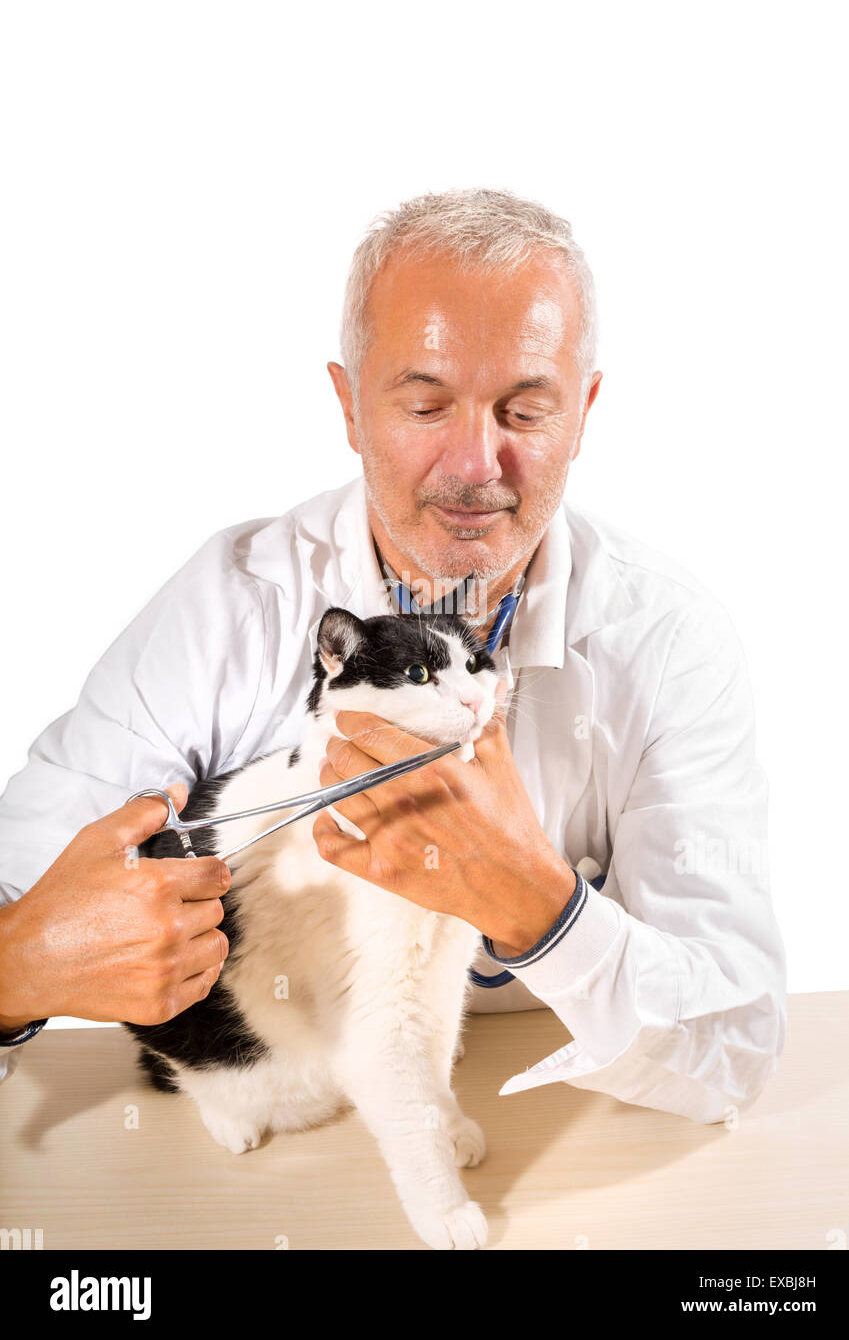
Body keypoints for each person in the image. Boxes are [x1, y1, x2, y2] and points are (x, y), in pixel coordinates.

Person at [0, 188, 786, 1121]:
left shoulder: (669, 643)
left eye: (526, 412)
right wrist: (14, 977)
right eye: (424, 404)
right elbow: (28, 890)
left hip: (523, 1109)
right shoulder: (226, 606)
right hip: (281, 1110)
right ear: (347, 405)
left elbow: (734, 1048)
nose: (473, 464)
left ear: (585, 410)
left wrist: (541, 909)